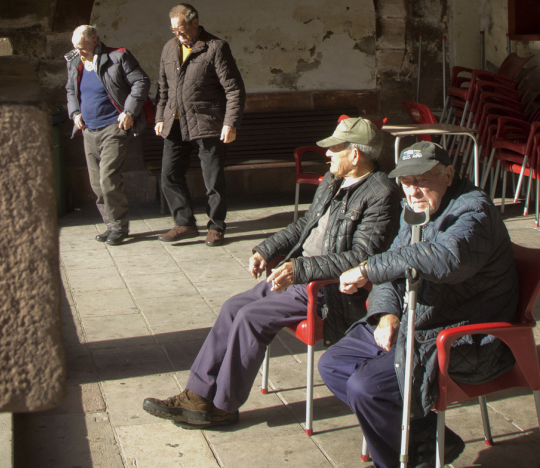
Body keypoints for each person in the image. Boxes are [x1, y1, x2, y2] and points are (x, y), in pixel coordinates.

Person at [142, 117, 400, 428]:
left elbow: (362, 257)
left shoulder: (381, 193)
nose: (328, 154)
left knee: (251, 317)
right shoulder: (335, 179)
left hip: (327, 291)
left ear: (355, 155)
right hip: (299, 275)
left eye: (335, 148)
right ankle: (196, 395)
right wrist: (266, 249)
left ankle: (223, 407)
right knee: (232, 307)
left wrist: (299, 269)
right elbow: (305, 225)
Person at [318, 141, 519, 468]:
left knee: (366, 387)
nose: (412, 191)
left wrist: (368, 268)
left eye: (422, 180)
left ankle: (398, 462)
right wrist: (387, 313)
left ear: (448, 175)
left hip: (464, 335)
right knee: (334, 363)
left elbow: (447, 258)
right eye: (406, 182)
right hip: (420, 320)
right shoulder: (414, 210)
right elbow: (394, 265)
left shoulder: (473, 211)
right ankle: (426, 437)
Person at [154, 4, 245, 247]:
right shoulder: (169, 48)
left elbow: (234, 89)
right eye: (174, 30)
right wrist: (160, 117)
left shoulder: (215, 47)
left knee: (212, 180)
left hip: (207, 122)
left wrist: (230, 122)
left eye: (182, 28)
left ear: (195, 22)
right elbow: (163, 88)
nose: (178, 34)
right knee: (169, 175)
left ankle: (215, 227)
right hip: (174, 123)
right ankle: (184, 223)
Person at [65, 25, 151, 246]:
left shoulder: (118, 57)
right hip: (88, 129)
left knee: (108, 179)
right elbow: (71, 90)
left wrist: (129, 112)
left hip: (113, 127)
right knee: (96, 184)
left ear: (95, 40)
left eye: (82, 47)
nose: (79, 51)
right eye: (76, 47)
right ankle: (111, 225)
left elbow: (141, 81)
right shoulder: (74, 61)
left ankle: (119, 227)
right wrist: (75, 113)